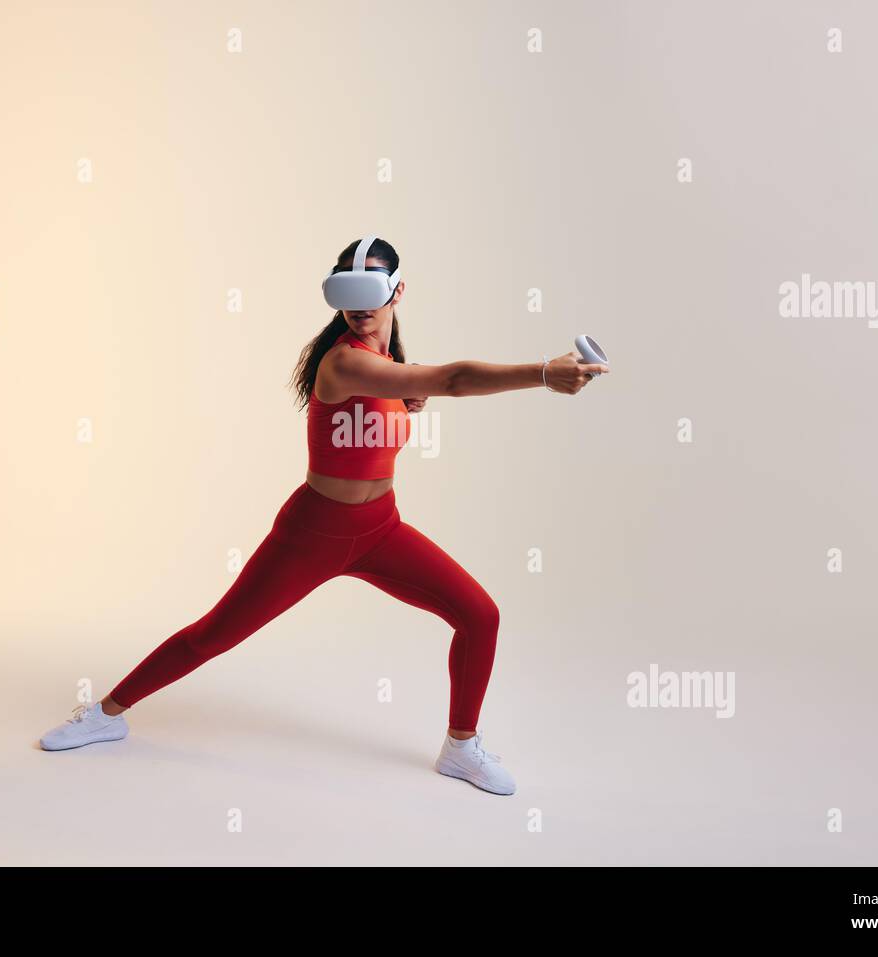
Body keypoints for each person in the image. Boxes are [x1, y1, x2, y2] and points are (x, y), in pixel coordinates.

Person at [39, 237, 606, 795]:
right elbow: (453, 379)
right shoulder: (342, 361)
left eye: (370, 291)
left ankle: (461, 747)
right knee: (214, 634)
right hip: (314, 533)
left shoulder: (388, 364)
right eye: (346, 292)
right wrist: (540, 373)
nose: (358, 306)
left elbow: (406, 402)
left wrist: (409, 403)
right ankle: (107, 713)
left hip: (381, 530)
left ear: (397, 291)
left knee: (480, 615)